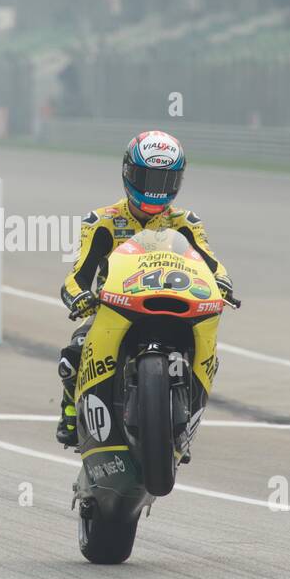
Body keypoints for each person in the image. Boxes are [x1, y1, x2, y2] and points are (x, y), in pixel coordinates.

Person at [54, 131, 234, 448]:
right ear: (128, 173)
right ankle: (70, 410)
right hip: (116, 308)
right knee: (74, 353)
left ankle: (185, 416)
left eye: (164, 181)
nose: (154, 189)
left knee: (207, 353)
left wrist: (222, 283)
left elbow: (213, 263)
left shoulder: (187, 223)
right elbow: (77, 274)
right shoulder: (102, 222)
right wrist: (79, 297)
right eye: (148, 178)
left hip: (174, 303)